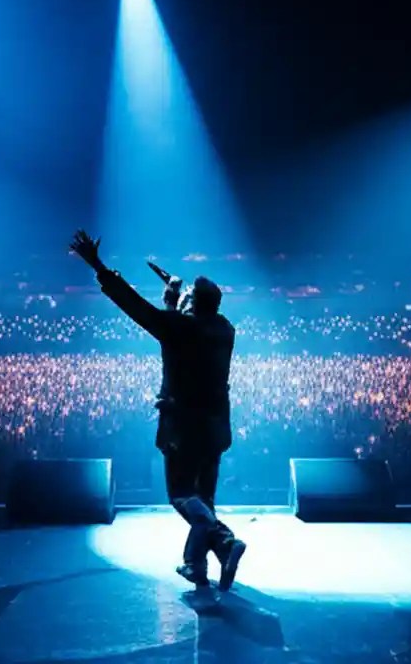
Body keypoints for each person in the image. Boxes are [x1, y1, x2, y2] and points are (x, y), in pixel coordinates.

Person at [70, 230, 246, 591]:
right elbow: (186, 328)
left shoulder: (180, 328)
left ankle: (215, 547)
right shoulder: (225, 329)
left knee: (182, 495)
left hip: (184, 429)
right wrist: (179, 302)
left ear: (192, 305)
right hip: (215, 429)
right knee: (205, 498)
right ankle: (210, 557)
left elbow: (135, 307)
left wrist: (100, 267)